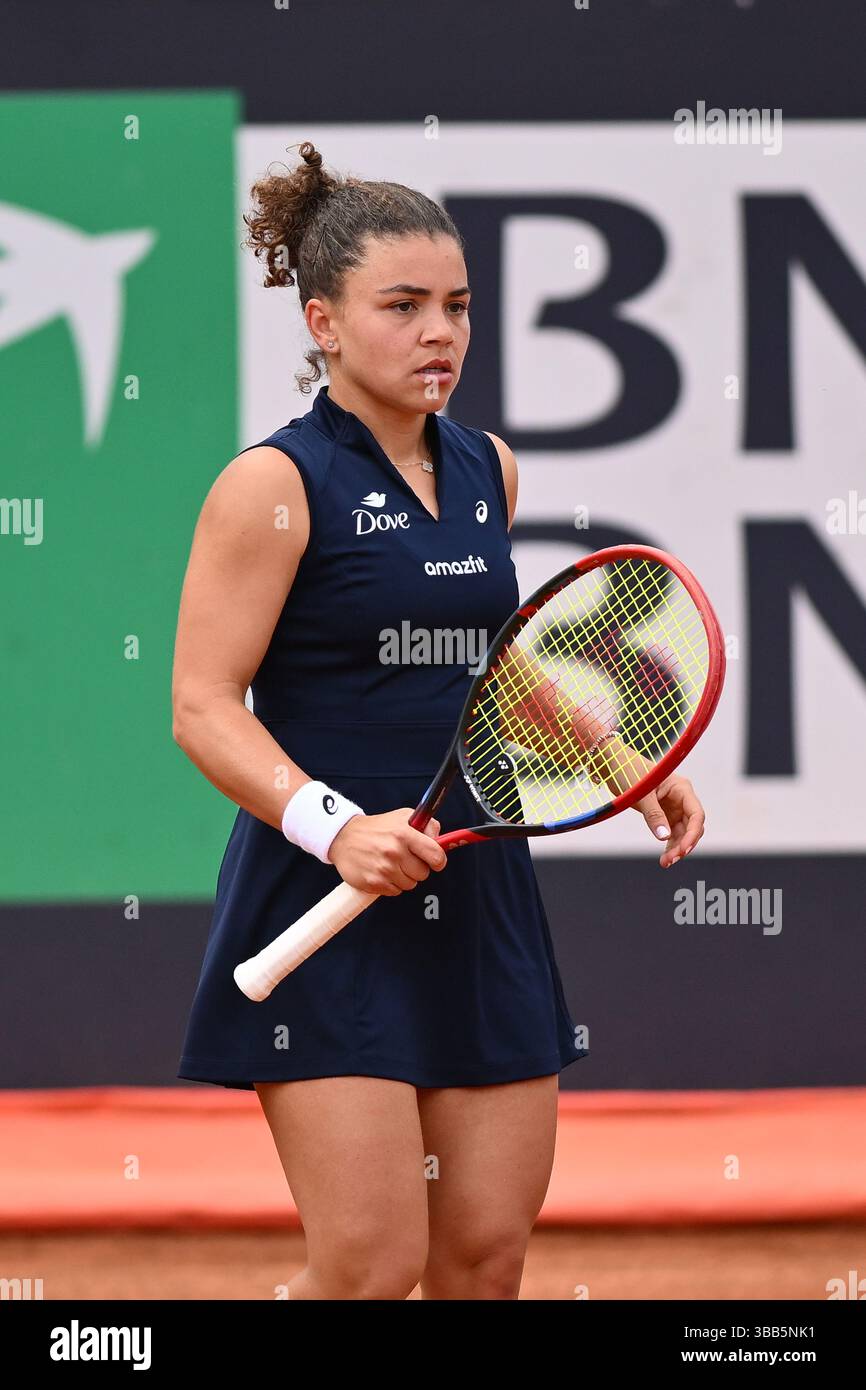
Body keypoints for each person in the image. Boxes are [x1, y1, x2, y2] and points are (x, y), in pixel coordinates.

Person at [172, 141, 706, 1300]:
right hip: (324, 891)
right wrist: (333, 827)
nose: (440, 333)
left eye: (457, 306)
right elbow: (202, 707)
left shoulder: (486, 469)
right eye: (401, 306)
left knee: (480, 1262)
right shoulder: (269, 486)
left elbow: (493, 677)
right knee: (368, 1269)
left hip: (476, 890)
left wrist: (622, 756)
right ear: (322, 320)